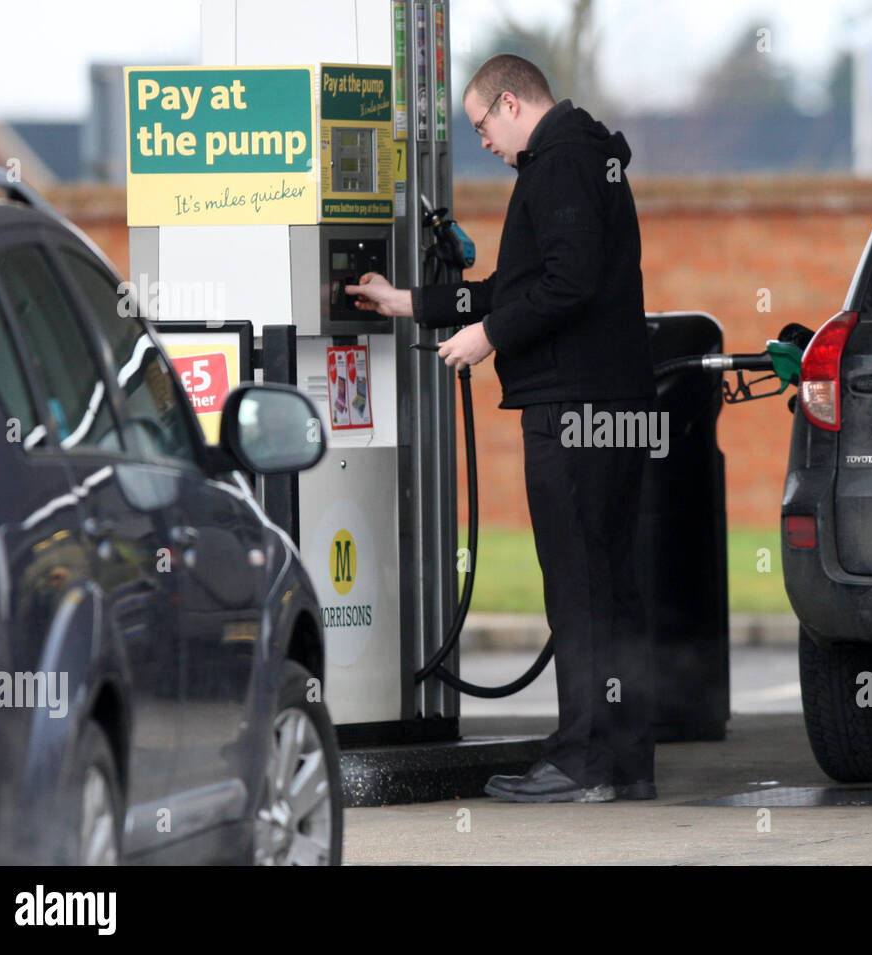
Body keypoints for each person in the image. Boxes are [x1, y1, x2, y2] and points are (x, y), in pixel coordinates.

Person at [346, 54, 657, 803]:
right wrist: (408, 302)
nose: (482, 141)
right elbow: (516, 285)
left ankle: (581, 762)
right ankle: (623, 759)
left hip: (574, 408)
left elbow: (565, 283)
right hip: (610, 401)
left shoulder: (560, 163)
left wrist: (489, 336)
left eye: (482, 125)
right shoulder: (583, 158)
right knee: (610, 587)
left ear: (511, 104)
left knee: (579, 587)